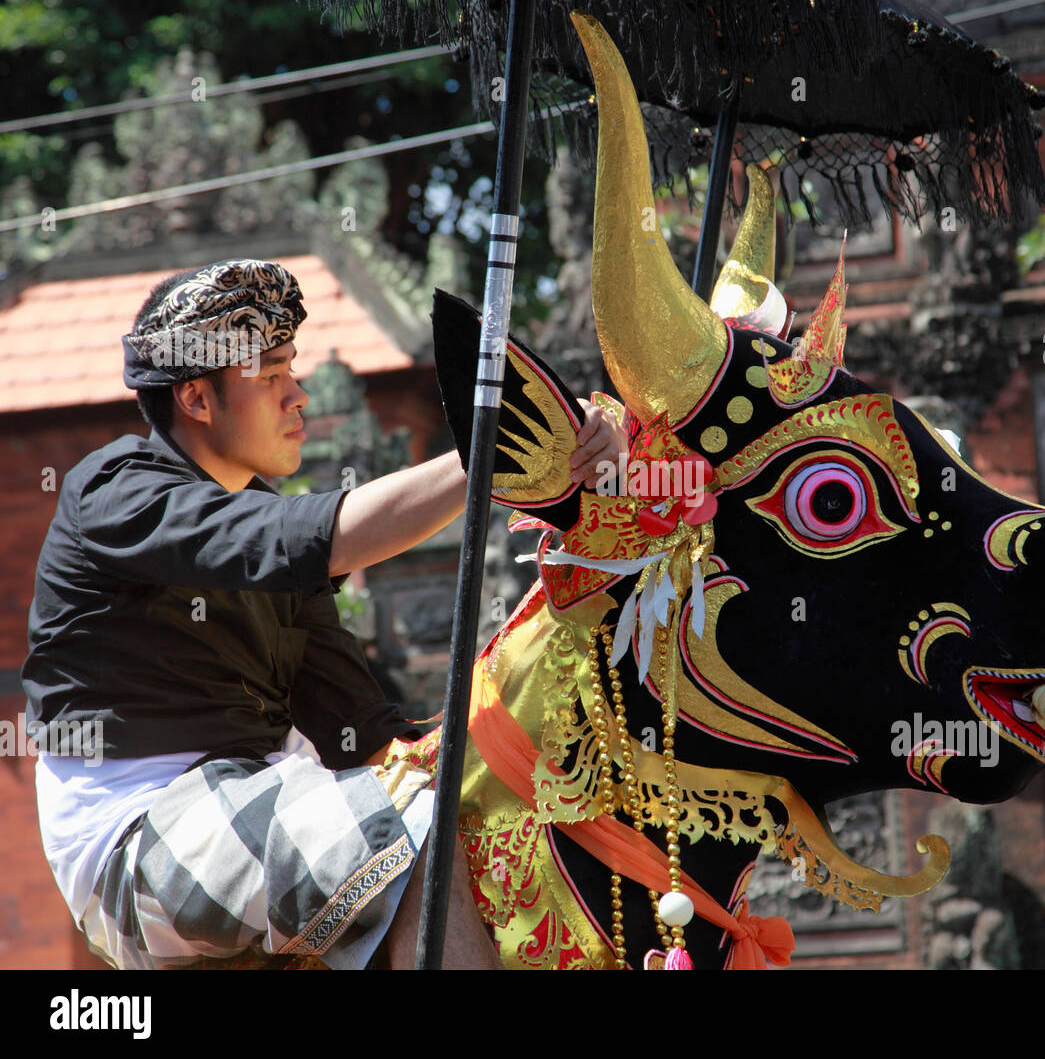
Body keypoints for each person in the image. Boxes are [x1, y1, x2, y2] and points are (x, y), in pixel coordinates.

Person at [22, 258, 624, 970]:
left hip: (257, 802)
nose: (299, 395)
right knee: (406, 823)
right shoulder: (115, 488)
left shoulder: (281, 556)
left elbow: (368, 737)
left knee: (478, 821)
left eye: (293, 372)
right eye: (272, 376)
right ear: (197, 399)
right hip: (139, 836)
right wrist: (494, 454)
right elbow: (300, 539)